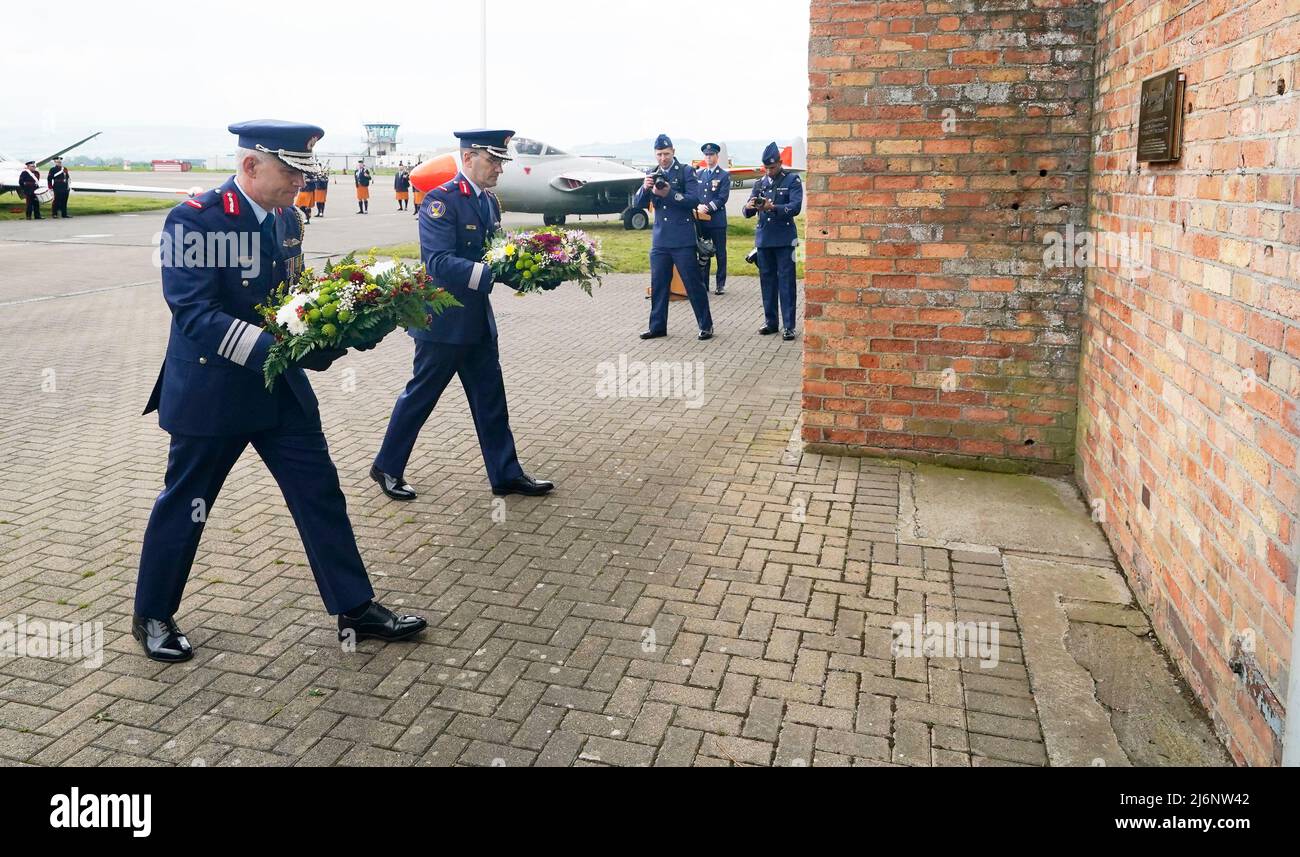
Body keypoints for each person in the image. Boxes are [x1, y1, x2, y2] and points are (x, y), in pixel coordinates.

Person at [133, 120, 425, 663]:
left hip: (279, 394)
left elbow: (291, 300)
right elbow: (195, 313)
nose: (300, 181)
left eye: (304, 171)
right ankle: (152, 613)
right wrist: (279, 352)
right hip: (213, 391)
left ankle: (355, 607)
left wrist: (334, 333)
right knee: (187, 503)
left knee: (320, 493)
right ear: (250, 165)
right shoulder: (195, 220)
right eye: (291, 170)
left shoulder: (288, 218)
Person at [371, 129, 553, 502]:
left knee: (491, 400)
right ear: (468, 158)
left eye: (502, 161)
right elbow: (437, 261)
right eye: (493, 160)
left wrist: (532, 273)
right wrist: (490, 276)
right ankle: (387, 467)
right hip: (442, 323)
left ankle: (505, 473)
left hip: (477, 321)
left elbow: (495, 254)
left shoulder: (489, 202)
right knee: (421, 397)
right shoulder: (441, 201)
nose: (500, 168)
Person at [634, 133, 713, 341]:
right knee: (659, 284)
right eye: (659, 154)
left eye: (666, 154)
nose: (663, 158)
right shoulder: (653, 173)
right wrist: (645, 187)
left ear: (673, 152)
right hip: (660, 239)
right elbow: (637, 203)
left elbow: (694, 199)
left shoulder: (686, 171)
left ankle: (706, 325)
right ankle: (657, 326)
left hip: (682, 238)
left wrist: (669, 193)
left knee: (693, 283)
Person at [744, 141, 803, 341]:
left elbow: (795, 207)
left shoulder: (792, 180)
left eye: (773, 167)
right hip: (764, 239)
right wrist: (751, 206)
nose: (769, 171)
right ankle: (771, 322)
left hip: (784, 240)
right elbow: (746, 212)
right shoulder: (760, 183)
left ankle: (789, 326)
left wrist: (772, 207)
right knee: (767, 282)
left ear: (780, 163)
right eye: (766, 168)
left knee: (786, 283)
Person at [696, 143, 730, 295]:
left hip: (717, 221)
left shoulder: (723, 175)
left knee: (720, 253)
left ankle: (720, 284)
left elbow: (722, 198)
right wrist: (698, 206)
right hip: (702, 221)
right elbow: (696, 195)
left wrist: (707, 207)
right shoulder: (700, 175)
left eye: (711, 154)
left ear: (717, 156)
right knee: (703, 251)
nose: (708, 157)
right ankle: (704, 283)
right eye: (706, 155)